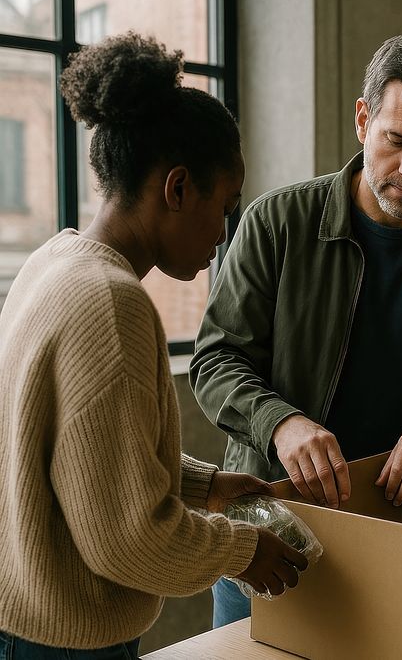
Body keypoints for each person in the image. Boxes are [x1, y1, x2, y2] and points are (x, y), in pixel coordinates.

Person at [0, 33, 307, 659]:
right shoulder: (113, 303)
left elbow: (81, 456)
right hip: (59, 642)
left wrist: (205, 486)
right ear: (176, 189)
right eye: (224, 207)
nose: (223, 235)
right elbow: (127, 540)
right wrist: (244, 551)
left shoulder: (53, 261)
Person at [190, 29, 402, 626]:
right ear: (363, 119)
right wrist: (280, 423)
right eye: (396, 140)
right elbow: (214, 361)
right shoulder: (276, 222)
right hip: (272, 532)